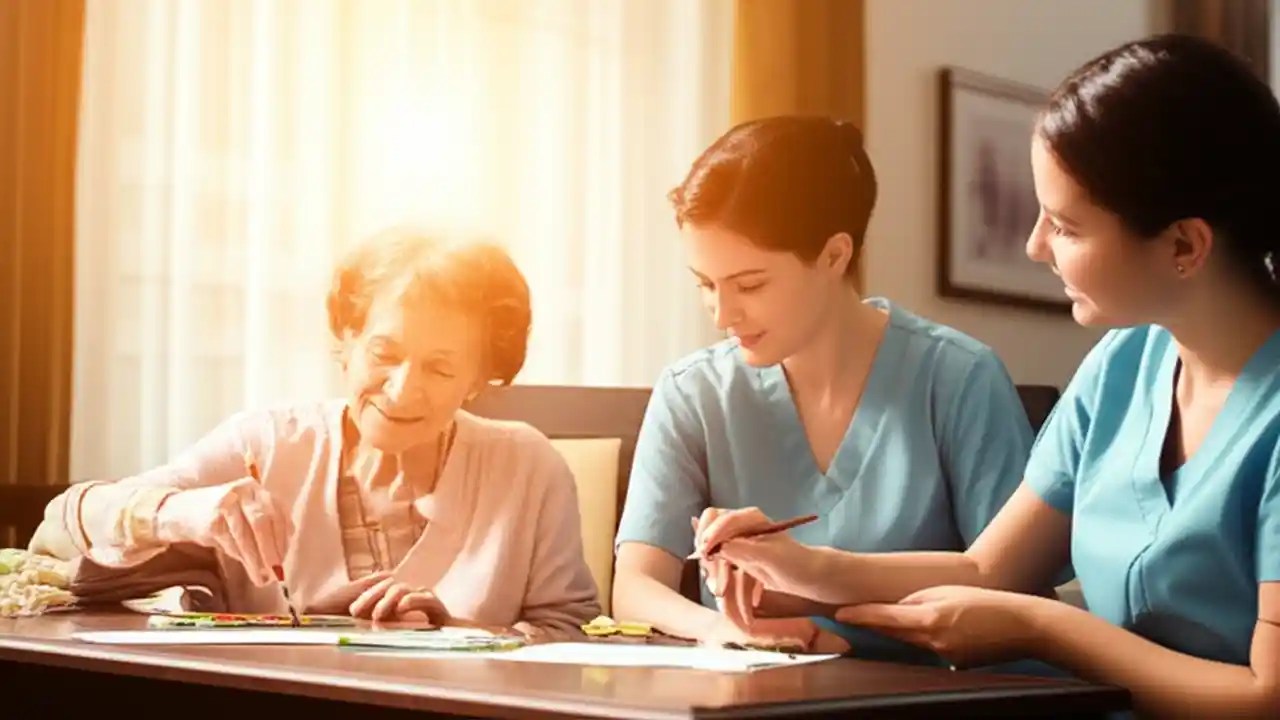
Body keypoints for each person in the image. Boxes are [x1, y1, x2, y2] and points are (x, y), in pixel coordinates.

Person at [694, 35, 1280, 718]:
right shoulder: (1124, 365)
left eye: (1064, 225)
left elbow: (1265, 696)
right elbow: (985, 569)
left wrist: (1041, 628)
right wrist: (802, 565)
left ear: (1184, 244)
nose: (1034, 246)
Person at [31, 227, 600, 640]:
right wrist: (181, 513)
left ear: (478, 379)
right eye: (384, 353)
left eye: (442, 368)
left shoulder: (528, 465)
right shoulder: (268, 443)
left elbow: (570, 631)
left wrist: (459, 632)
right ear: (346, 342)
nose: (403, 389)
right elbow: (65, 520)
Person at [611, 115, 1036, 654]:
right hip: (751, 697)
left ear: (835, 255)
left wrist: (809, 580)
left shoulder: (958, 378)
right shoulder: (693, 394)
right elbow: (636, 586)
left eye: (750, 284)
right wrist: (726, 630)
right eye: (705, 285)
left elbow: (1012, 579)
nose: (722, 314)